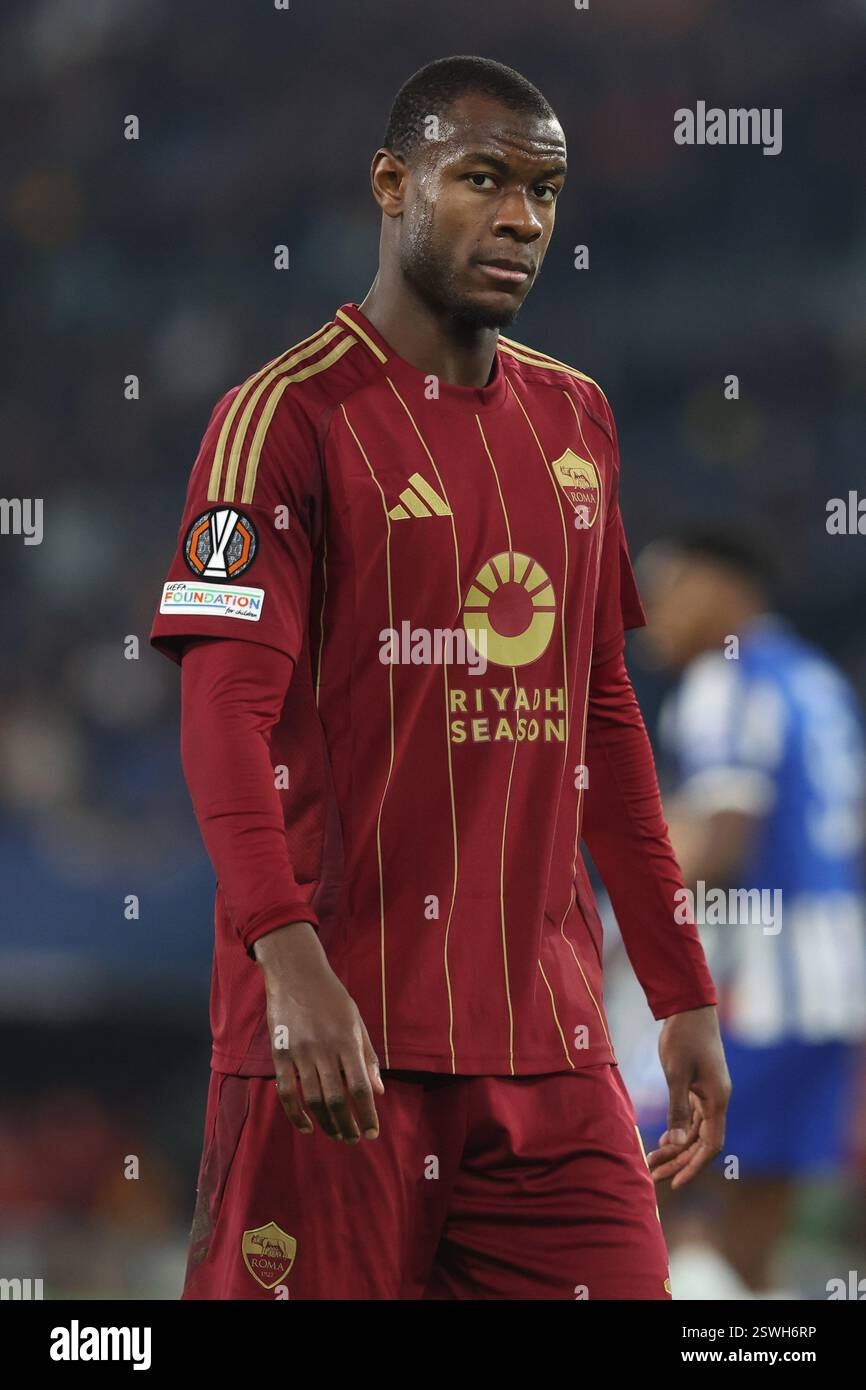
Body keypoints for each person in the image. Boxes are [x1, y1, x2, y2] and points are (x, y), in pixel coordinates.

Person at [150, 55, 728, 1301]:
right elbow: (221, 713)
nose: (520, 216)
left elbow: (604, 721)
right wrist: (286, 957)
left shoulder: (577, 421)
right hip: (336, 1044)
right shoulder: (279, 422)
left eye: (543, 191)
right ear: (391, 184)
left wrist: (679, 984)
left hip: (550, 1048)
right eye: (481, 179)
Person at [637, 527, 866, 1294]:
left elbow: (722, 840)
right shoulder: (816, 680)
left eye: (668, 585)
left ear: (726, 588)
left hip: (760, 993)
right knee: (753, 1234)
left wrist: (622, 932)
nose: (650, 609)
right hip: (833, 987)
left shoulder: (724, 682)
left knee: (631, 1180)